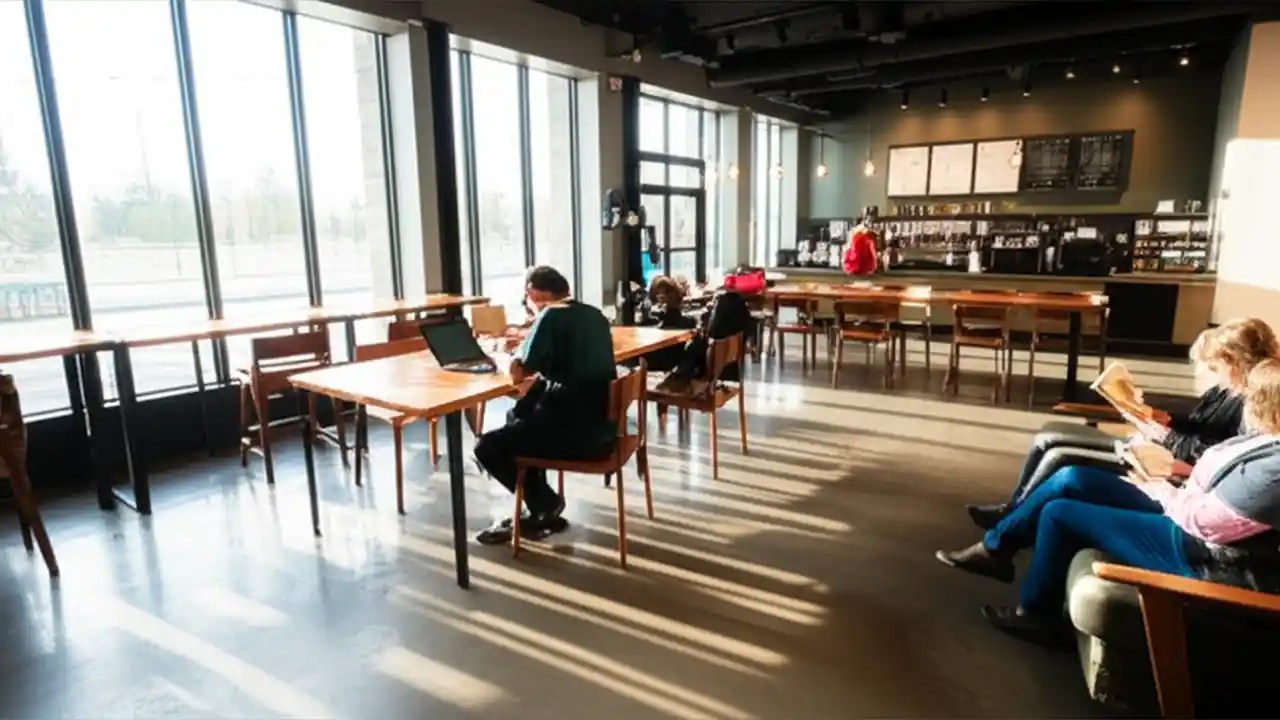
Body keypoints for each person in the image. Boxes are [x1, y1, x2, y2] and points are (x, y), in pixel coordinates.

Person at [938, 358, 1280, 644]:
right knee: (1074, 477)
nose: (1245, 403)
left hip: (1201, 553)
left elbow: (1206, 522)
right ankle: (996, 548)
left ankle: (1037, 614)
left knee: (1060, 514)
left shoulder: (1274, 467)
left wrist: (1160, 487)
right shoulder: (1265, 440)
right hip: (1186, 506)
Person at [966, 318, 1279, 530]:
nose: (1212, 372)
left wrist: (1161, 432)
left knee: (1060, 455)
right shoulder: (1229, 390)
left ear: (1236, 363)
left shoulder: (1250, 405)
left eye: (1216, 365)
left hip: (1169, 466)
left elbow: (1209, 452)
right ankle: (1016, 510)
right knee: (1050, 442)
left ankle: (1015, 517)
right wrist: (1165, 419)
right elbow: (1202, 425)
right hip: (1166, 451)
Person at [473, 266, 617, 545]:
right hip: (600, 427)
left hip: (572, 433)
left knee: (487, 446)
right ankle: (540, 507)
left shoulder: (551, 315)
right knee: (517, 418)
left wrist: (504, 356)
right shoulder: (594, 314)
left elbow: (518, 373)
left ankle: (544, 503)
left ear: (532, 293)